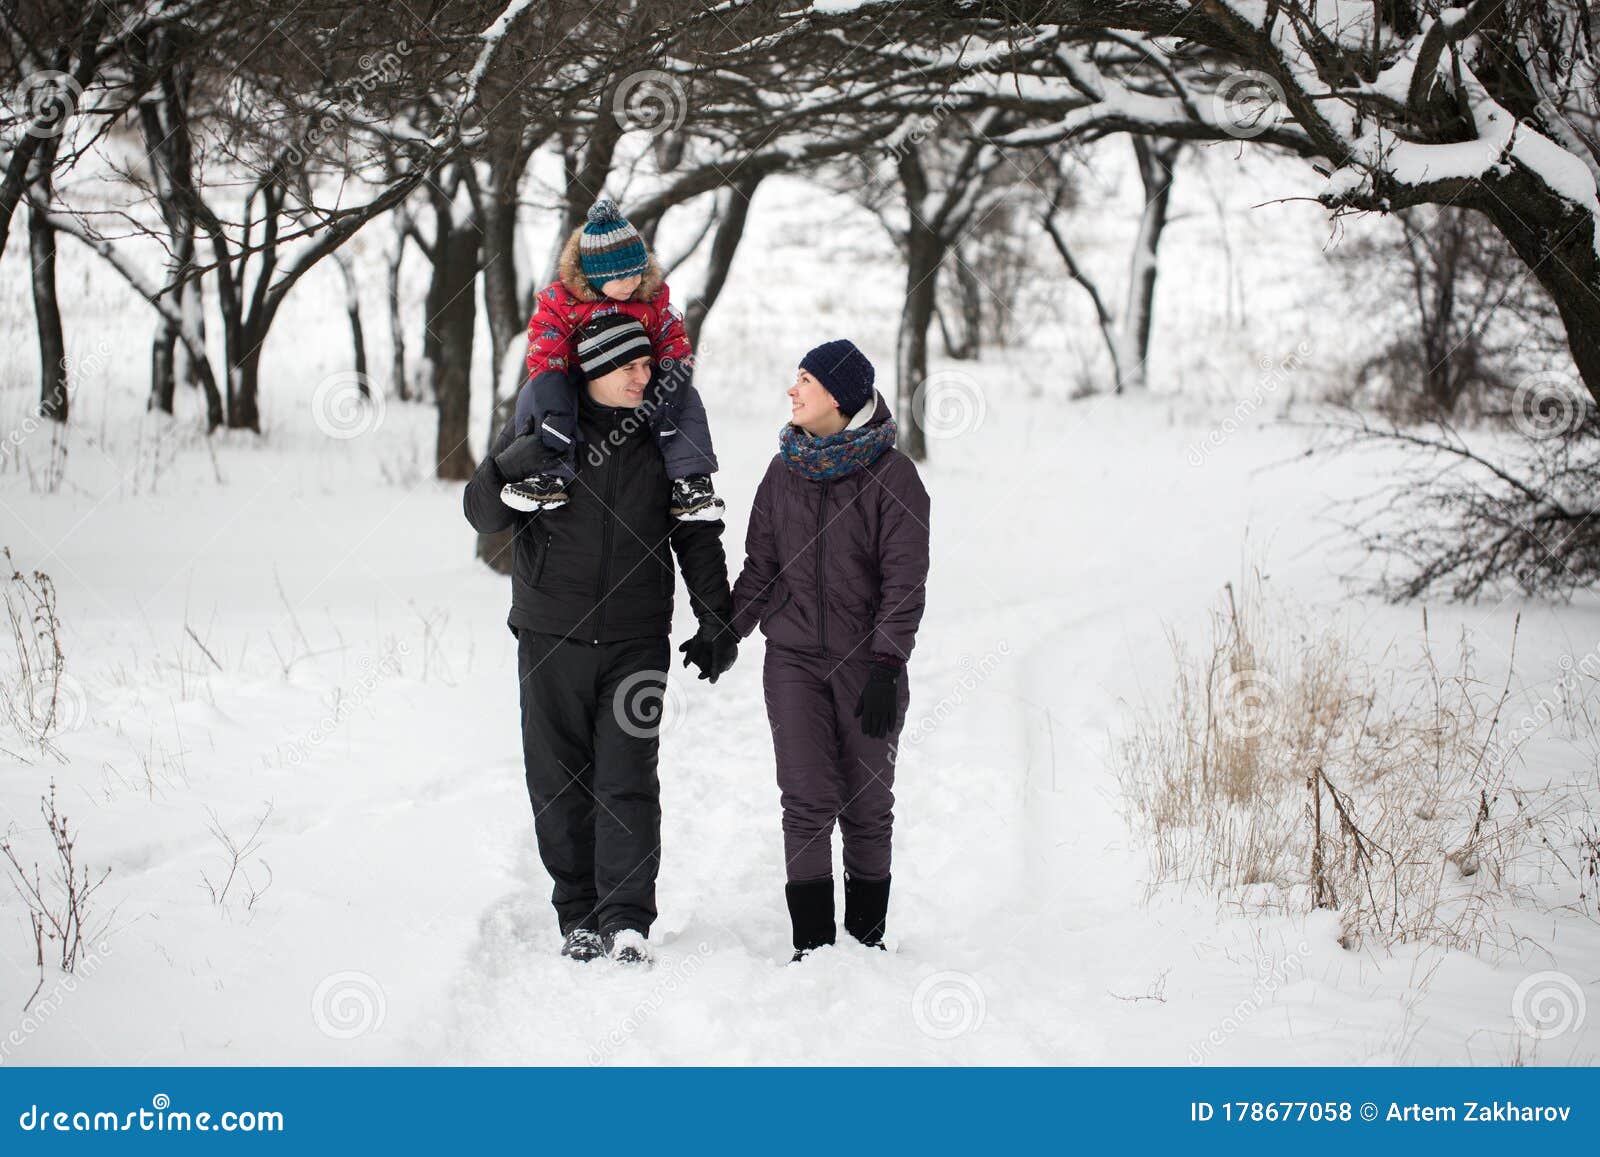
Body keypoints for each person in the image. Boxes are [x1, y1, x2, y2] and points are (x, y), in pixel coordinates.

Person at [464, 313, 739, 967]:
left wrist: (716, 617)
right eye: (630, 367)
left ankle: (625, 918)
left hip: (636, 639)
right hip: (549, 633)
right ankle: (579, 913)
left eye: (648, 364)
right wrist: (510, 462)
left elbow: (696, 532)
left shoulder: (663, 433)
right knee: (558, 781)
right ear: (590, 369)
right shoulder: (544, 429)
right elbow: (482, 512)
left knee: (627, 778)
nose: (645, 376)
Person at [729, 339, 931, 960]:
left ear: (839, 399)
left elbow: (905, 580)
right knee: (807, 800)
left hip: (868, 664)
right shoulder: (782, 469)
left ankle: (867, 942)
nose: (792, 391)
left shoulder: (893, 477)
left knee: (867, 806)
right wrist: (724, 633)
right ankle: (813, 949)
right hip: (792, 661)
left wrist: (887, 663)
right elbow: (760, 567)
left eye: (806, 382)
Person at [501, 196, 723, 523]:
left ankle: (691, 480)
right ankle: (548, 473)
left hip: (637, 376)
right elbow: (546, 346)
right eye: (621, 278)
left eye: (636, 274)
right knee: (534, 396)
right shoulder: (562, 304)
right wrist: (553, 391)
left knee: (686, 398)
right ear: (593, 274)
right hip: (579, 381)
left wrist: (671, 378)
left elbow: (673, 339)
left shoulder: (651, 299)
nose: (631, 283)